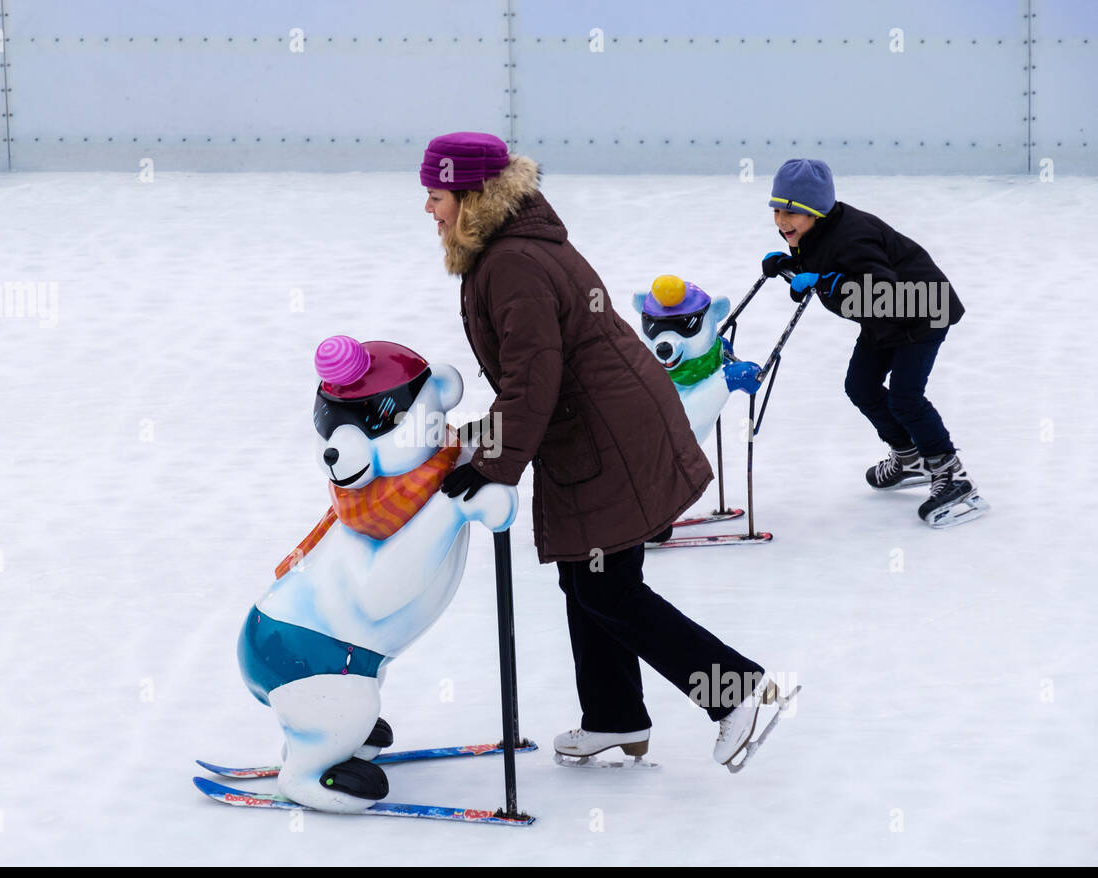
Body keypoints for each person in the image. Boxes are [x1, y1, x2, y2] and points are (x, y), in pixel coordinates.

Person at [421, 131, 791, 770]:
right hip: (601, 427)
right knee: (589, 576)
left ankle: (737, 694)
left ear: (473, 194)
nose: (429, 209)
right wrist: (483, 441)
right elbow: (533, 377)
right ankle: (612, 716)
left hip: (604, 436)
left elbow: (533, 379)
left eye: (436, 195)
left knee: (605, 587)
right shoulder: (514, 247)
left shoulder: (511, 262)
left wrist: (491, 462)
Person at [761, 158, 983, 527]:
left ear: (816, 210)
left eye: (792, 213)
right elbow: (829, 269)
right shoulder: (812, 232)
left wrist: (830, 284)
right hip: (884, 321)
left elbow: (886, 294)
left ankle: (952, 473)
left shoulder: (853, 236)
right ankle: (909, 456)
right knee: (860, 385)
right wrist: (791, 266)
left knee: (905, 397)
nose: (782, 221)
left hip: (922, 310)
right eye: (777, 209)